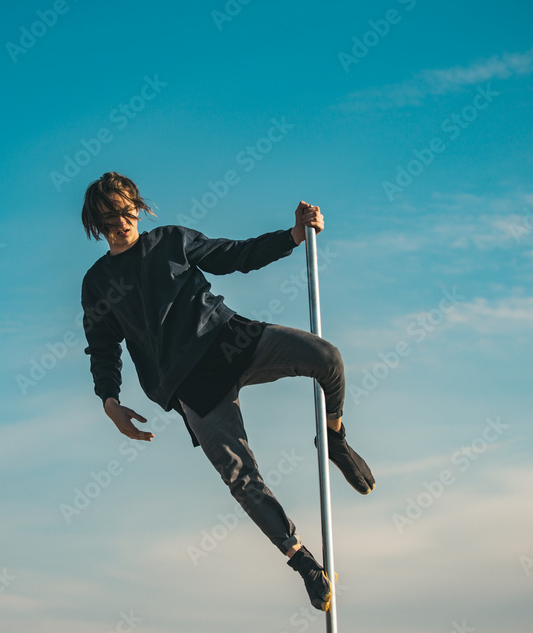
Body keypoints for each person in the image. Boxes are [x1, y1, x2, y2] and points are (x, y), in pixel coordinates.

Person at [79, 172, 375, 612]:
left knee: (327, 358)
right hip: (189, 386)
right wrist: (110, 401)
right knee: (242, 479)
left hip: (231, 340)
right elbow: (102, 347)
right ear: (96, 226)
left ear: (137, 207)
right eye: (108, 219)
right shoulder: (97, 283)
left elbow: (232, 255)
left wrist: (294, 235)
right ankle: (303, 563)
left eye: (125, 211)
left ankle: (333, 436)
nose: (120, 223)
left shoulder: (170, 240)